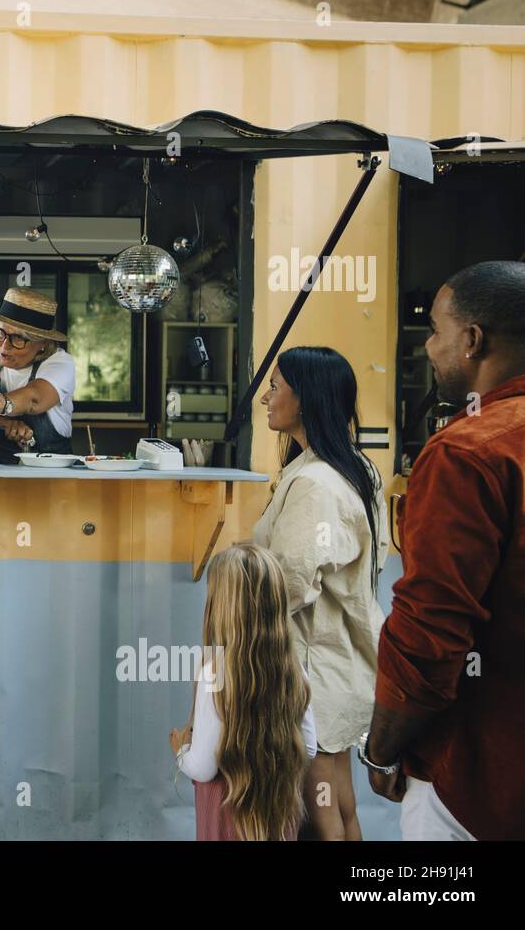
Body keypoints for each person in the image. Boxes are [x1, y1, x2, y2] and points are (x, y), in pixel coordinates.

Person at [364, 261, 525, 841]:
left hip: (476, 776)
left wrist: (383, 749)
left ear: (472, 339)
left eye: (434, 330)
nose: (429, 347)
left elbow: (431, 628)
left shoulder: (467, 452)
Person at [252, 346, 387, 840]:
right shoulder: (354, 468)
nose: (266, 397)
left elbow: (288, 581)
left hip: (313, 674)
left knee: (319, 811)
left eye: (276, 386)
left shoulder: (314, 482)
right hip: (339, 669)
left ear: (304, 399)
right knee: (339, 803)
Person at [171, 543, 317, 841]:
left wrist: (180, 749)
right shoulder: (294, 670)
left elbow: (202, 768)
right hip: (278, 819)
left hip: (227, 821)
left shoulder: (215, 673)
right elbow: (310, 749)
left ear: (220, 606)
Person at [0, 287, 76, 464]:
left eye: (18, 339)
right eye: (0, 333)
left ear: (42, 343)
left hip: (49, 475)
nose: (4, 347)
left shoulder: (60, 363)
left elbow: (34, 400)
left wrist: (1, 403)